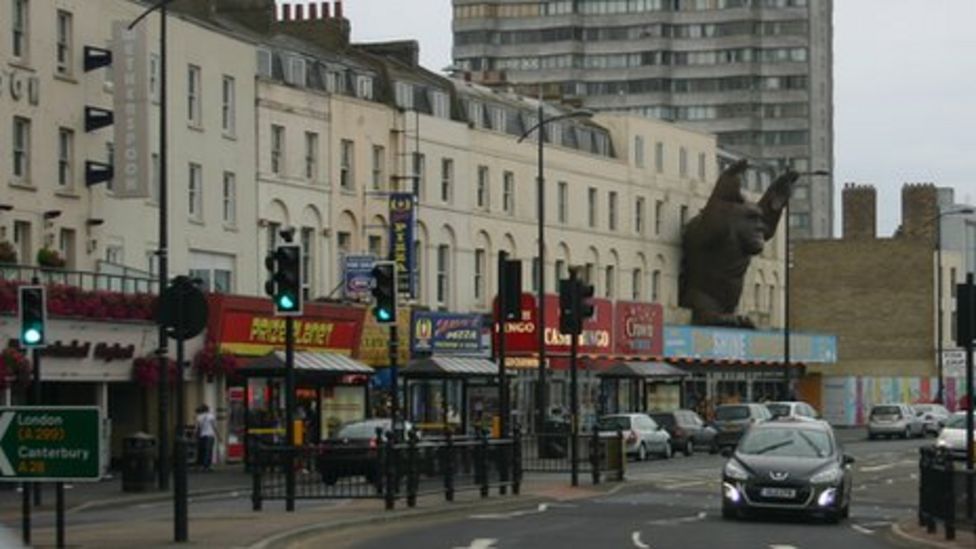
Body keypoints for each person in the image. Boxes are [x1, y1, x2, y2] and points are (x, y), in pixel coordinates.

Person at [195, 404, 219, 471]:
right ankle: (207, 465)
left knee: (202, 451)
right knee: (209, 451)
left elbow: (197, 428)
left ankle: (202, 465)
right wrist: (218, 436)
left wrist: (195, 435)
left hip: (202, 436)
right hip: (210, 435)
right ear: (207, 409)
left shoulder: (199, 417)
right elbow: (214, 427)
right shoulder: (211, 416)